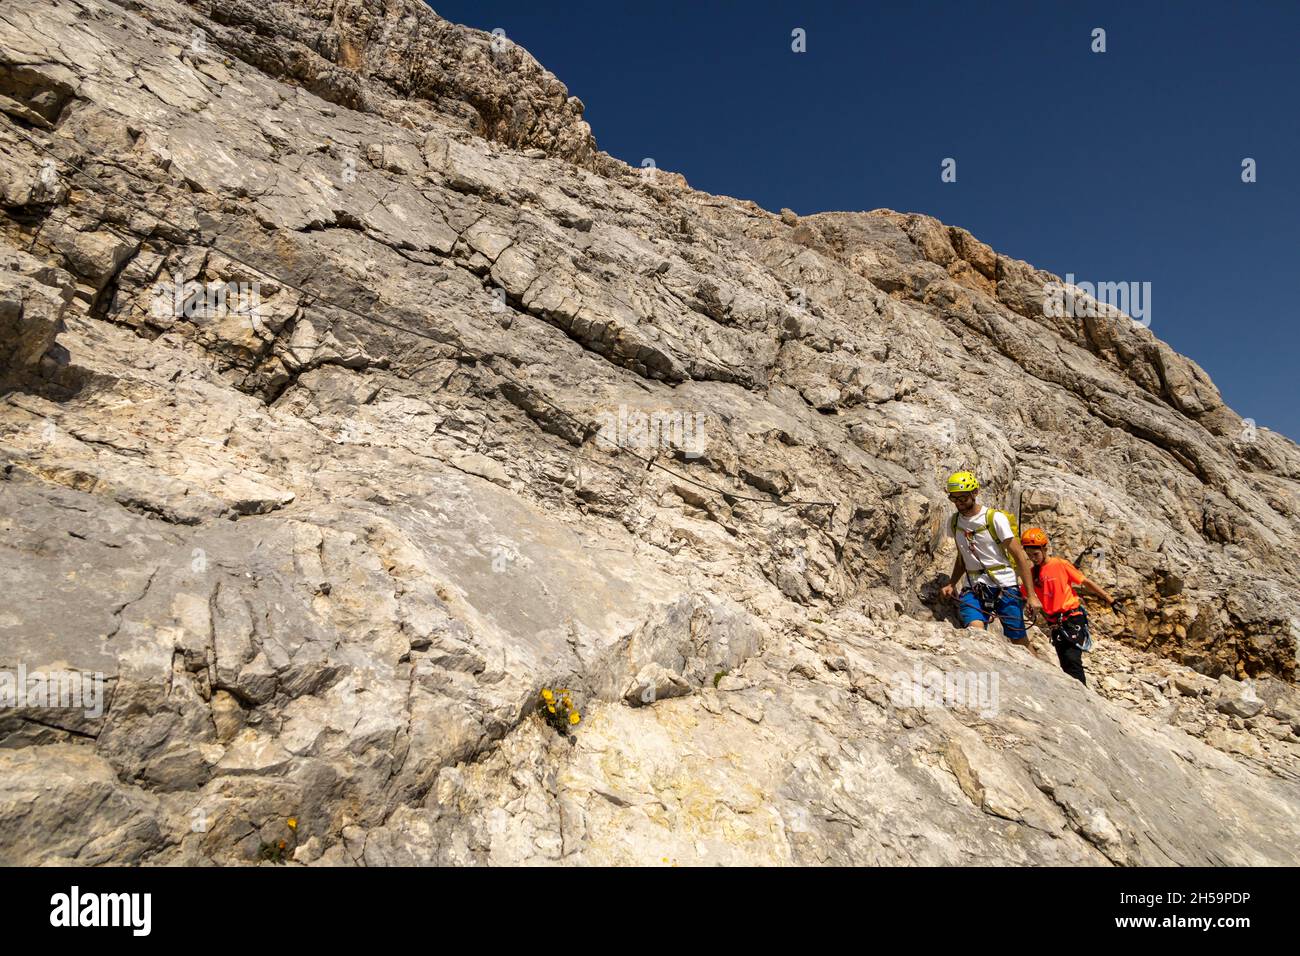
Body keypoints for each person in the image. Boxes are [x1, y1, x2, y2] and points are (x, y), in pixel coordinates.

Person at [939, 471, 1043, 655]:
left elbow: (1019, 556)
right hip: (974, 587)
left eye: (963, 497)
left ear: (975, 492)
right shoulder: (954, 522)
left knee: (1018, 640)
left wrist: (1032, 595)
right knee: (975, 632)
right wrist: (952, 582)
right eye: (953, 498)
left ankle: (1043, 676)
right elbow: (962, 556)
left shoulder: (994, 519)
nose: (959, 502)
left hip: (1004, 586)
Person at [1019, 527, 1117, 685]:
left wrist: (1110, 599)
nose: (1033, 558)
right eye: (1029, 556)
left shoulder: (1060, 564)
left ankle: (1084, 698)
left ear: (1045, 548)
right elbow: (1023, 593)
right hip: (1055, 624)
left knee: (1072, 660)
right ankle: (1081, 696)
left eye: (1035, 554)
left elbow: (1085, 581)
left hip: (1072, 619)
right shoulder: (1032, 573)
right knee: (1066, 663)